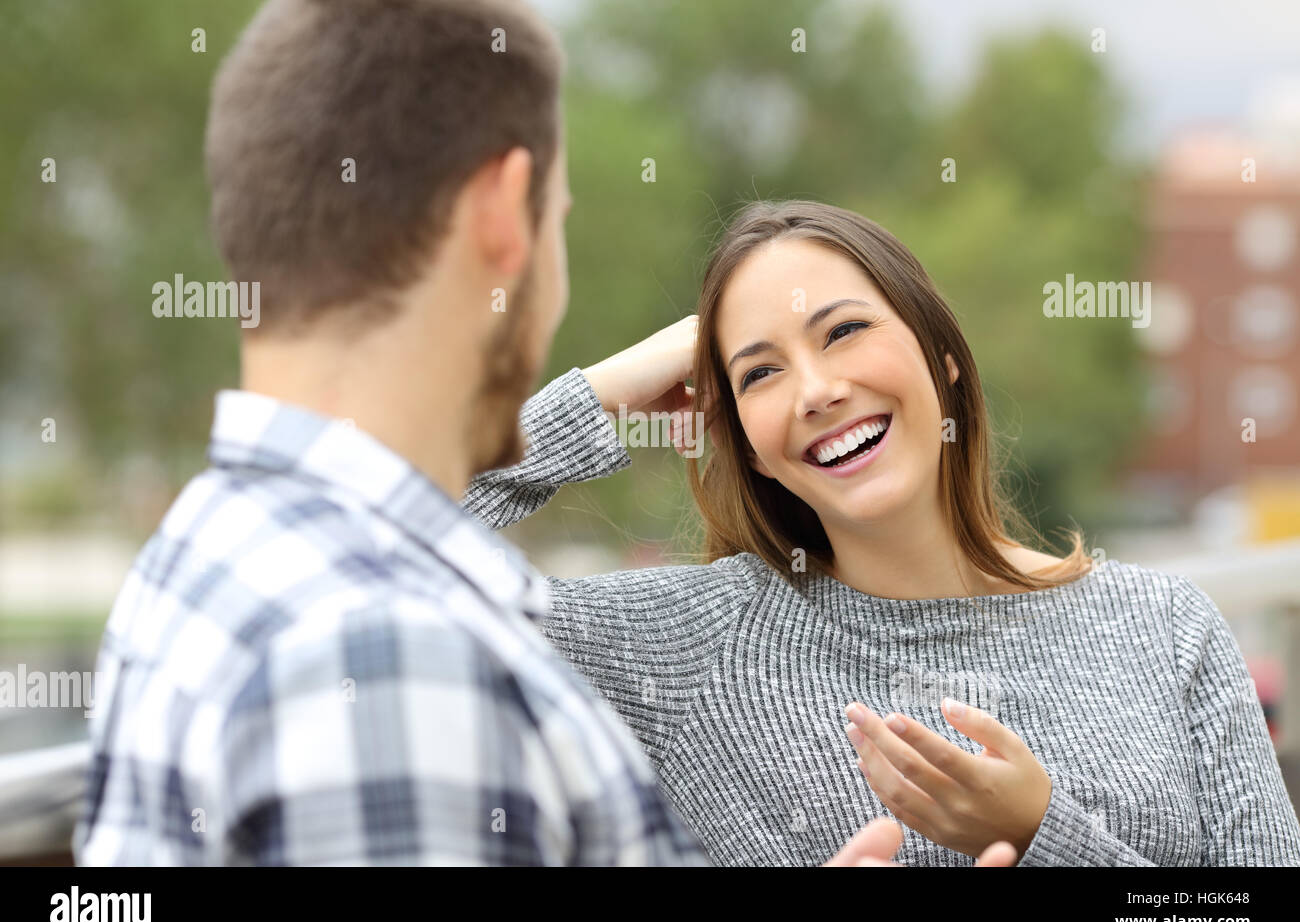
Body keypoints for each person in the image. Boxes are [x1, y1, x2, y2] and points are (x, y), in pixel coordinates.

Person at [73, 0, 1013, 867]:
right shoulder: (389, 657)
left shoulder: (209, 554)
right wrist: (589, 404)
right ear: (502, 216)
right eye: (559, 220)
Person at [462, 199, 1300, 866]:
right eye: (759, 372)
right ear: (745, 445)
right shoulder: (680, 649)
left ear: (943, 359)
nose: (817, 388)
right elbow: (356, 549)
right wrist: (601, 394)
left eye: (845, 331)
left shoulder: (1163, 628)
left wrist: (1045, 834)